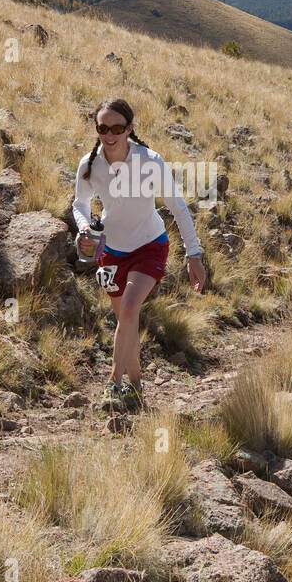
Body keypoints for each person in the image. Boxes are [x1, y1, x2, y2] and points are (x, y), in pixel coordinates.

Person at [72, 97, 206, 413]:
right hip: (110, 250)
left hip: (150, 244)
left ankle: (114, 383)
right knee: (125, 320)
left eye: (117, 127)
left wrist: (194, 254)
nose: (109, 134)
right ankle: (136, 387)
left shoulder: (150, 161)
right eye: (103, 127)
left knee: (130, 307)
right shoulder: (89, 165)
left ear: (130, 128)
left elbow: (177, 206)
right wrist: (83, 230)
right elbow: (79, 204)